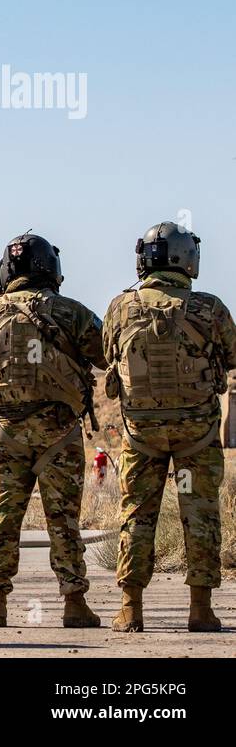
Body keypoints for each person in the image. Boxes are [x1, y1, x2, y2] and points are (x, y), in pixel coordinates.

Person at [0, 235, 105, 628]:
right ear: (49, 268)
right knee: (64, 520)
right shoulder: (71, 312)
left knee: (2, 515)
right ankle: (74, 603)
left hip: (6, 434)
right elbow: (105, 353)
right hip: (60, 434)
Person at [103, 222, 236, 632]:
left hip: (140, 434)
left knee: (136, 516)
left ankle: (130, 609)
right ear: (187, 259)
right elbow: (230, 357)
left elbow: (105, 351)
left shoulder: (119, 307)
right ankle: (200, 610)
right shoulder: (209, 308)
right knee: (201, 515)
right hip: (196, 434)